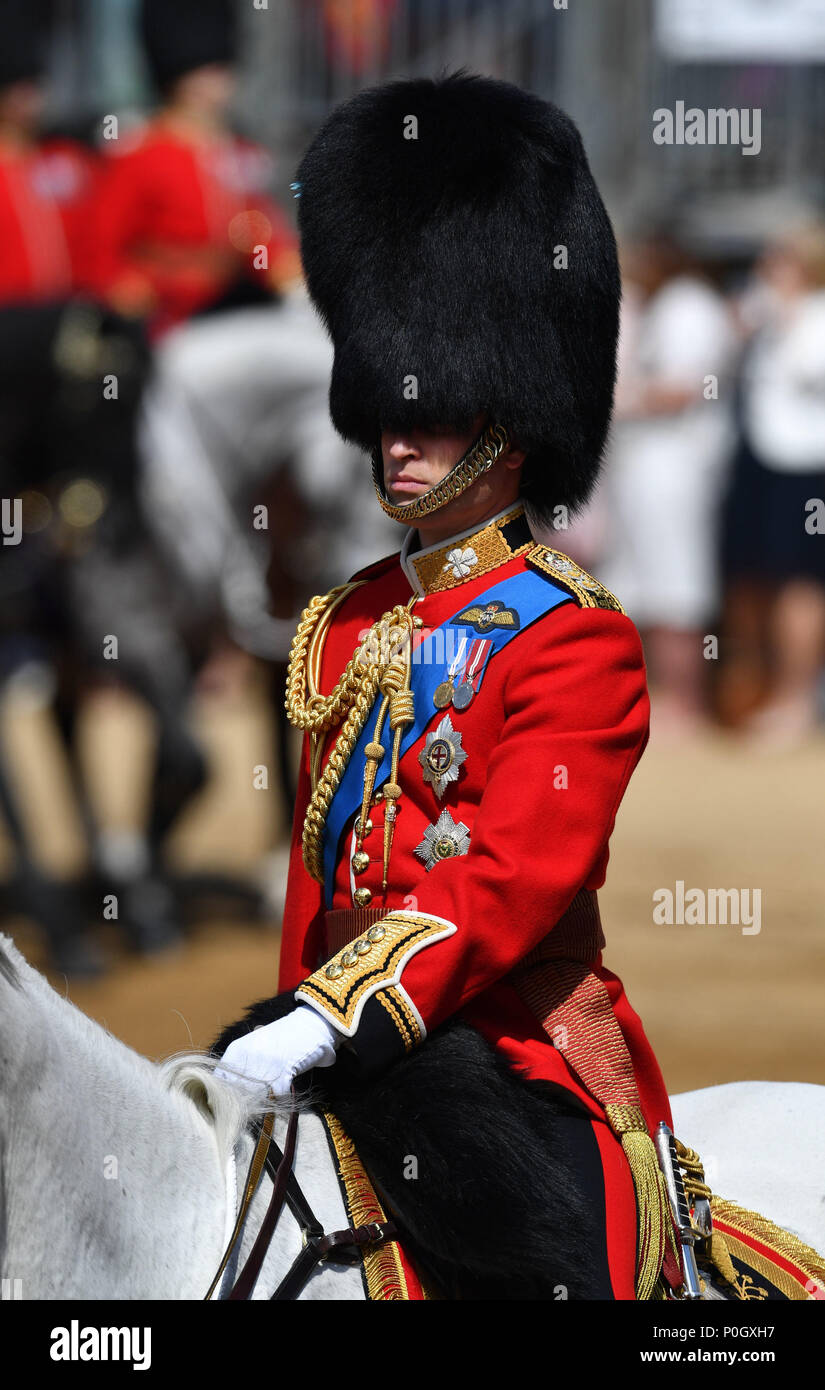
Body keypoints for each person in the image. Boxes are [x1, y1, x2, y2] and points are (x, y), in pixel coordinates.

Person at [216, 73, 680, 1300]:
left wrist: (338, 1015)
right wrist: (299, 1020)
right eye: (386, 406)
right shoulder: (349, 616)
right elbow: (320, 887)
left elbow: (513, 879)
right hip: (345, 1043)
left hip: (518, 1048)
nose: (397, 435)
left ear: (513, 421)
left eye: (436, 405)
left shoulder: (575, 637)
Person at [599, 232, 735, 738]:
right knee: (637, 584)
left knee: (678, 583)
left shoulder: (691, 305)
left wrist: (611, 403)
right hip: (639, 466)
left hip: (677, 468)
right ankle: (654, 701)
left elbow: (683, 389)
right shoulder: (655, 303)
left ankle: (687, 704)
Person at [720, 223, 825, 744]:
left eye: (779, 257)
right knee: (755, 578)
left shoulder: (816, 316)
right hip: (760, 460)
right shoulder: (767, 314)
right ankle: (762, 693)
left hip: (805, 470)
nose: (768, 267)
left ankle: (798, 699)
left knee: (800, 585)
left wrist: (784, 315)